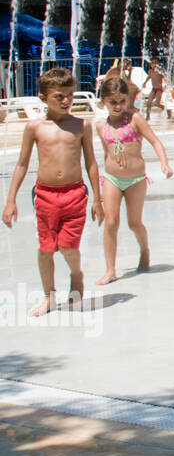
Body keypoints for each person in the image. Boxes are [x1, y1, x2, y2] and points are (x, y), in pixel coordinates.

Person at [2, 67, 104, 316]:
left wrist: (97, 199)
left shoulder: (81, 126)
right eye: (59, 96)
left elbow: (91, 162)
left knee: (68, 247)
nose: (66, 100)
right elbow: (22, 164)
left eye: (69, 94)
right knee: (46, 248)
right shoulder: (34, 127)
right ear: (43, 98)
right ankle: (49, 297)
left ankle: (76, 274)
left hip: (74, 195)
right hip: (45, 195)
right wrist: (10, 200)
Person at [94, 77, 174, 285]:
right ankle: (110, 269)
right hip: (111, 178)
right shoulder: (100, 125)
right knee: (111, 222)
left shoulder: (135, 119)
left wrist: (164, 163)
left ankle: (144, 249)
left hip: (136, 180)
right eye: (113, 102)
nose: (118, 106)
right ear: (103, 101)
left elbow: (155, 141)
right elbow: (106, 153)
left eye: (122, 101)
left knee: (134, 222)